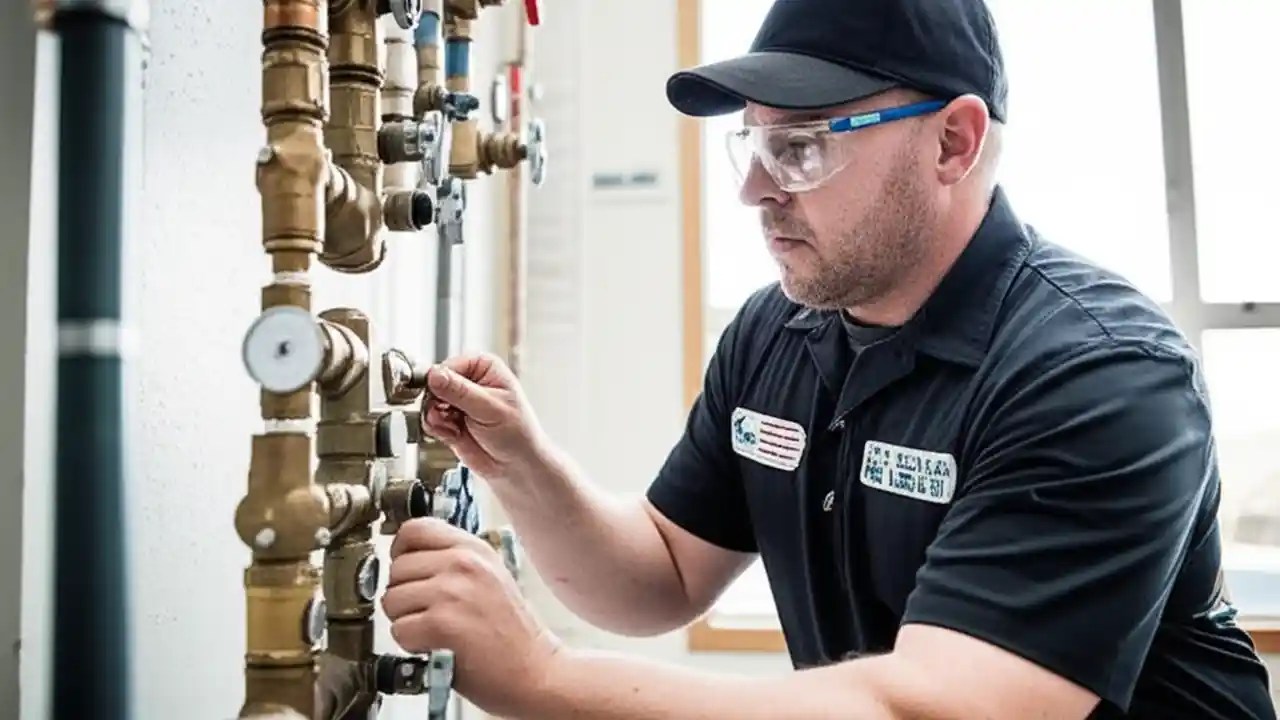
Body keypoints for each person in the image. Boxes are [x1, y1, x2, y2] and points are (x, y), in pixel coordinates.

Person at [380, 0, 1277, 717]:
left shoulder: (1098, 376)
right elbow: (661, 571)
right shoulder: (780, 333)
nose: (753, 189)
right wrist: (524, 466)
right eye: (756, 142)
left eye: (802, 147)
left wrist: (542, 678)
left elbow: (937, 710)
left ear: (953, 143)